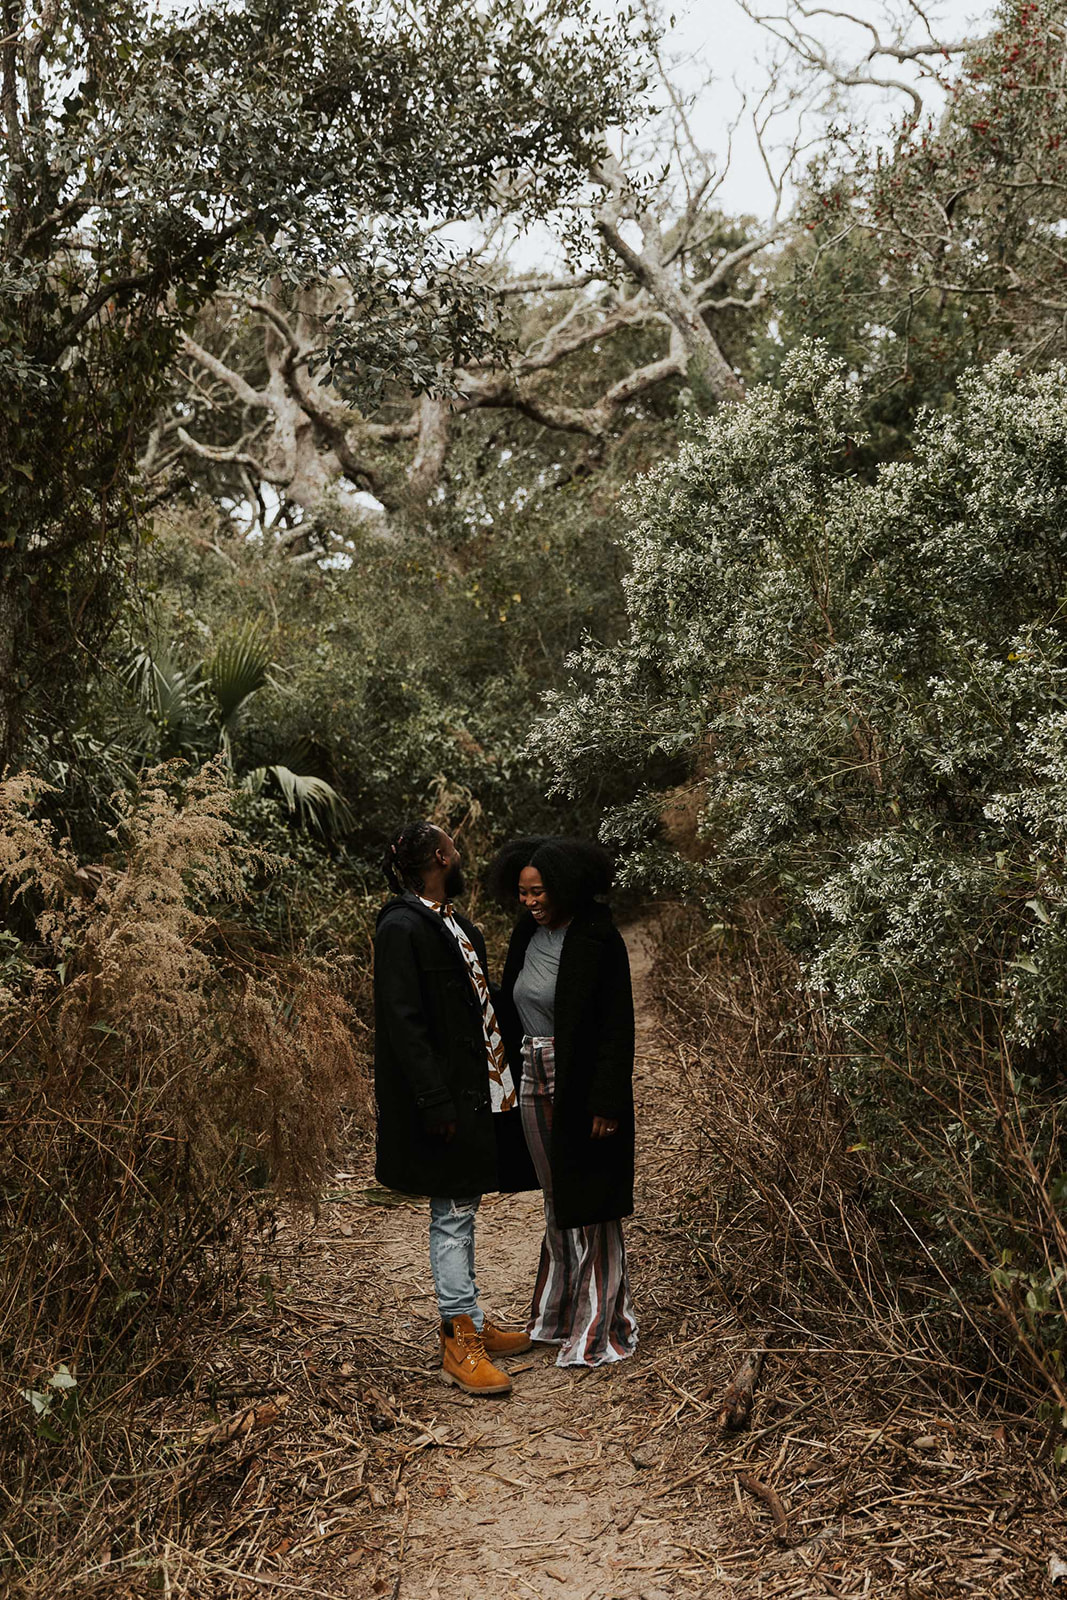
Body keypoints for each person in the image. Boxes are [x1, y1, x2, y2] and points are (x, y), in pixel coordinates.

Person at [374, 820, 537, 1397]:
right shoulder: (401, 926)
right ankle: (456, 1341)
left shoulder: (452, 921)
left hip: (478, 1088)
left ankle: (469, 1316)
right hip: (443, 1099)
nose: (463, 853)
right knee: (451, 1213)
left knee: (463, 1204)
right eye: (455, 846)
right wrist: (433, 1100)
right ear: (441, 856)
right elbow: (403, 1023)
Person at [489, 837, 638, 1368]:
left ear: (568, 886)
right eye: (523, 893)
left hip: (580, 1080)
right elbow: (511, 1001)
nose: (530, 902)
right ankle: (556, 1315)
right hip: (532, 1069)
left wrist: (608, 1103)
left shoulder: (599, 937)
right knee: (556, 1196)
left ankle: (601, 1327)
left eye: (540, 892)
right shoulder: (526, 933)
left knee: (592, 1199)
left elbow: (618, 1029)